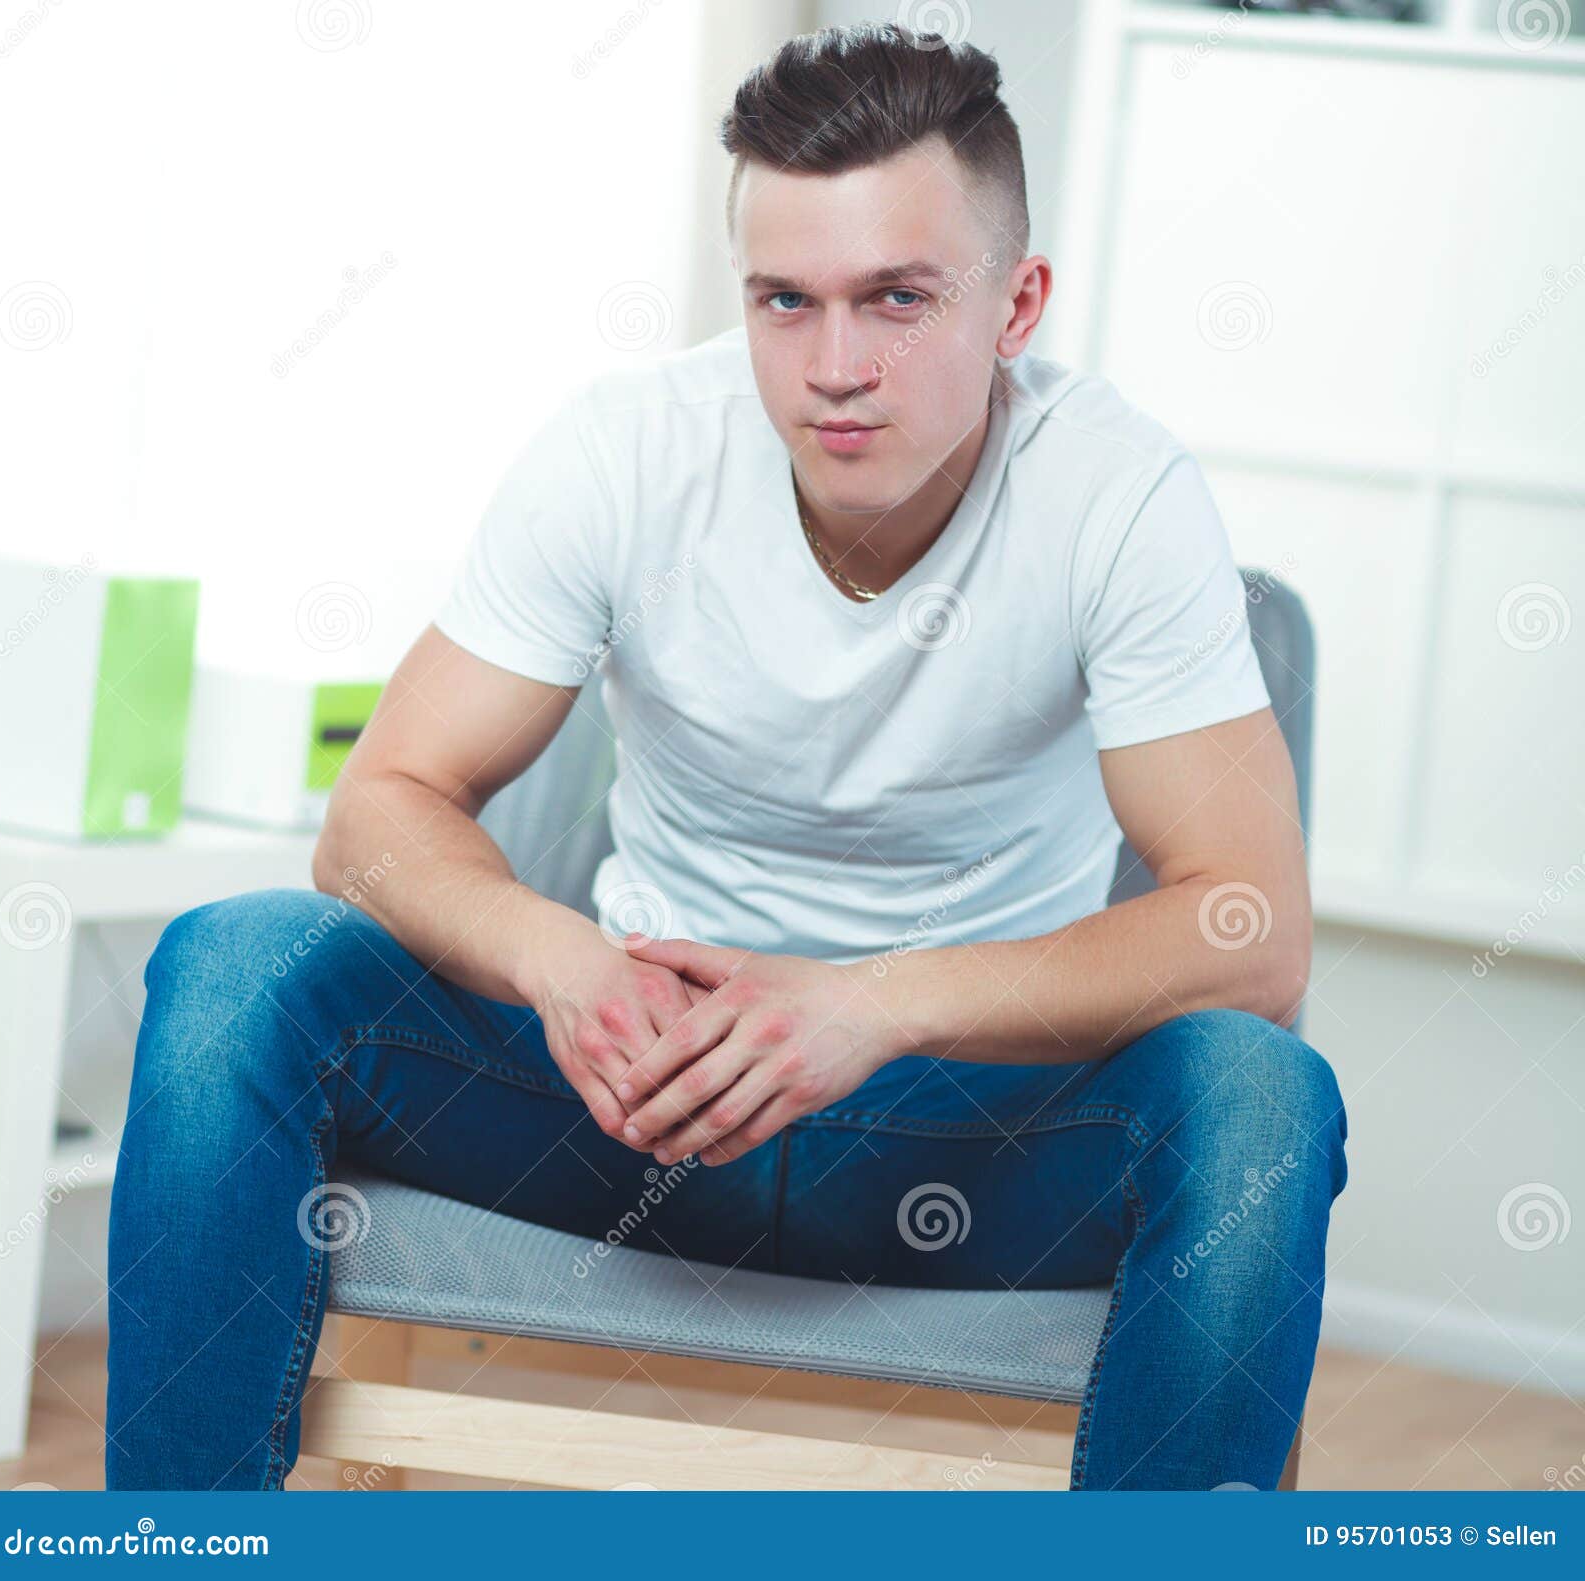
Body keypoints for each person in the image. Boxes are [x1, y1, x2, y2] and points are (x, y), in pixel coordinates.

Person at [106, 20, 1346, 1492]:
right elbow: (377, 811)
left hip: (957, 1134)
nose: (835, 368)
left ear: (1018, 304)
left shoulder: (1120, 497)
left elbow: (1250, 932)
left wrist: (869, 1008)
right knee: (238, 963)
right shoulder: (628, 450)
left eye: (898, 298)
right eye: (785, 301)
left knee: (1261, 1094)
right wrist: (565, 965)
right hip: (633, 1102)